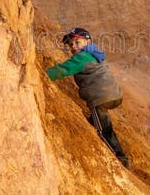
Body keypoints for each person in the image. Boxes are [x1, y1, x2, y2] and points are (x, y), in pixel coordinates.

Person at [46, 27, 131, 168]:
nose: (73, 47)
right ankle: (93, 122)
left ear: (88, 41)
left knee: (104, 131)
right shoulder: (95, 54)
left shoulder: (81, 58)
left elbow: (64, 69)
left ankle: (119, 160)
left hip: (100, 99)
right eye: (71, 44)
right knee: (98, 120)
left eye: (77, 42)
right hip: (115, 95)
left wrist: (43, 74)